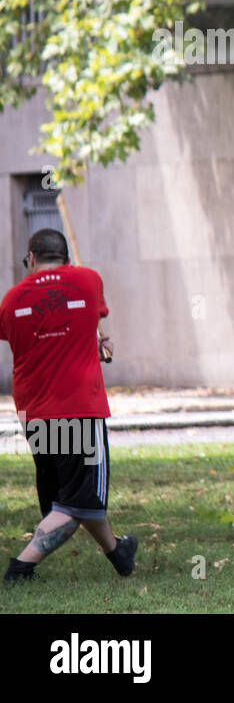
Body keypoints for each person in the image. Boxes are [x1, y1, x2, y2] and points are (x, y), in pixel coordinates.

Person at [1, 229, 136, 582]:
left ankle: (119, 554)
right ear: (66, 258)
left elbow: (23, 336)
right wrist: (92, 339)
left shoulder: (12, 299)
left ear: (31, 258)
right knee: (77, 503)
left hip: (33, 413)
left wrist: (85, 337)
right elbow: (87, 316)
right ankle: (20, 568)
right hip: (77, 408)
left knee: (73, 493)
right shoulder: (87, 280)